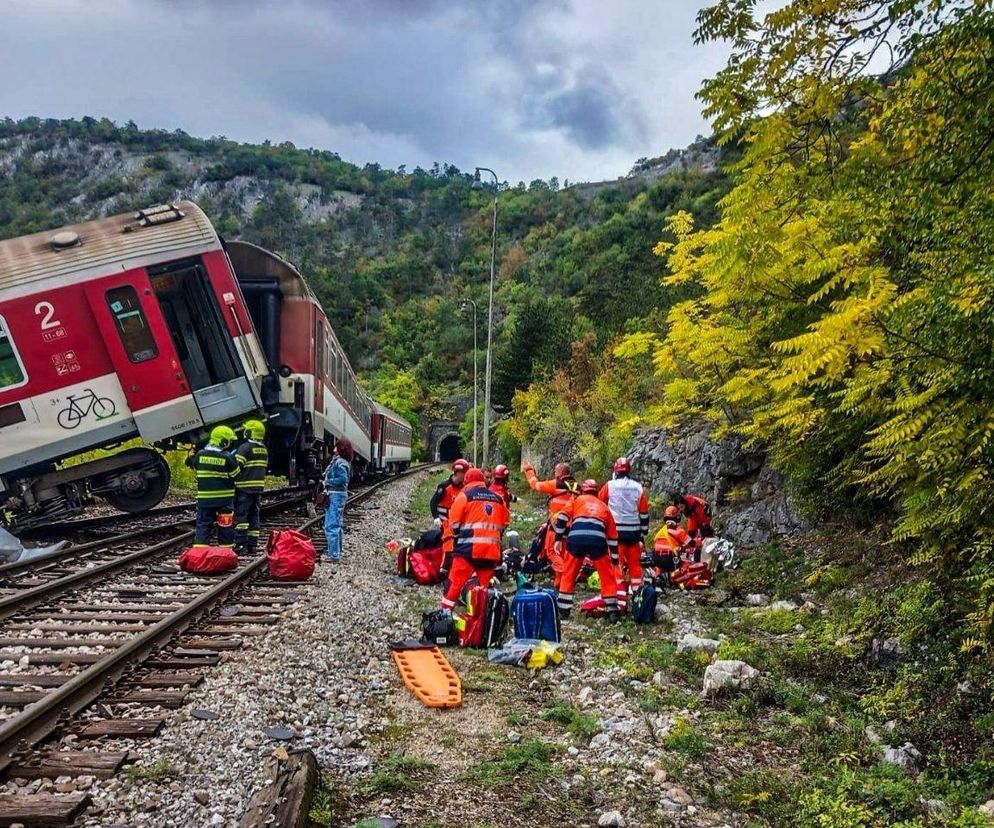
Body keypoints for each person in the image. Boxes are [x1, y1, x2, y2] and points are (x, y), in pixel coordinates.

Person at [438, 468, 510, 612]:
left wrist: (461, 535)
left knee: (455, 583)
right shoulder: (498, 498)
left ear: (466, 481)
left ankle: (445, 612)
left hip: (468, 550)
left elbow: (454, 524)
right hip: (491, 552)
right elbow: (504, 523)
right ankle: (481, 617)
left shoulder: (464, 496)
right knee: (483, 588)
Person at [553, 479, 620, 622]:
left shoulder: (577, 500)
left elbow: (562, 516)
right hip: (597, 540)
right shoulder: (604, 506)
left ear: (583, 490)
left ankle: (563, 610)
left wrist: (558, 539)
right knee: (607, 575)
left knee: (569, 573)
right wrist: (614, 559)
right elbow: (613, 537)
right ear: (597, 492)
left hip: (576, 538)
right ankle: (613, 610)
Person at [599, 457, 649, 607]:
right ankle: (638, 599)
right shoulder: (638, 487)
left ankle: (620, 599)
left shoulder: (609, 485)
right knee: (635, 566)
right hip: (634, 532)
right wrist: (643, 533)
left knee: (617, 565)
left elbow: (599, 503)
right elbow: (644, 513)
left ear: (616, 470)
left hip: (616, 532)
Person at [522, 460, 578, 588]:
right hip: (570, 527)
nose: (554, 474)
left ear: (560, 473)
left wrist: (528, 470)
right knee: (563, 555)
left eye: (555, 472)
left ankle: (566, 576)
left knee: (552, 553)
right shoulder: (576, 486)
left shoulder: (556, 484)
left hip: (556, 526)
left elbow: (535, 485)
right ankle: (560, 585)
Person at [187, 425, 239, 548]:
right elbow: (236, 475)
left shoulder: (200, 455)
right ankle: (226, 551)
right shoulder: (228, 457)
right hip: (224, 501)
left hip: (205, 500)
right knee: (225, 526)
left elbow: (195, 467)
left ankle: (200, 551)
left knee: (203, 525)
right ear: (224, 441)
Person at [233, 419, 269, 556]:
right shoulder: (263, 449)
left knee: (241, 516)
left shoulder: (245, 448)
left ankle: (241, 545)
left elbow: (236, 467)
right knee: (254, 516)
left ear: (250, 432)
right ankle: (252, 545)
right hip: (257, 488)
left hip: (244, 488)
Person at [323, 439, 354, 562]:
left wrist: (327, 482)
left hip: (336, 495)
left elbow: (343, 479)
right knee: (338, 524)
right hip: (339, 494)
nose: (334, 448)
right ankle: (337, 551)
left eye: (336, 446)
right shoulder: (341, 461)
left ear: (341, 448)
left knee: (331, 525)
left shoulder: (340, 462)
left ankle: (334, 555)